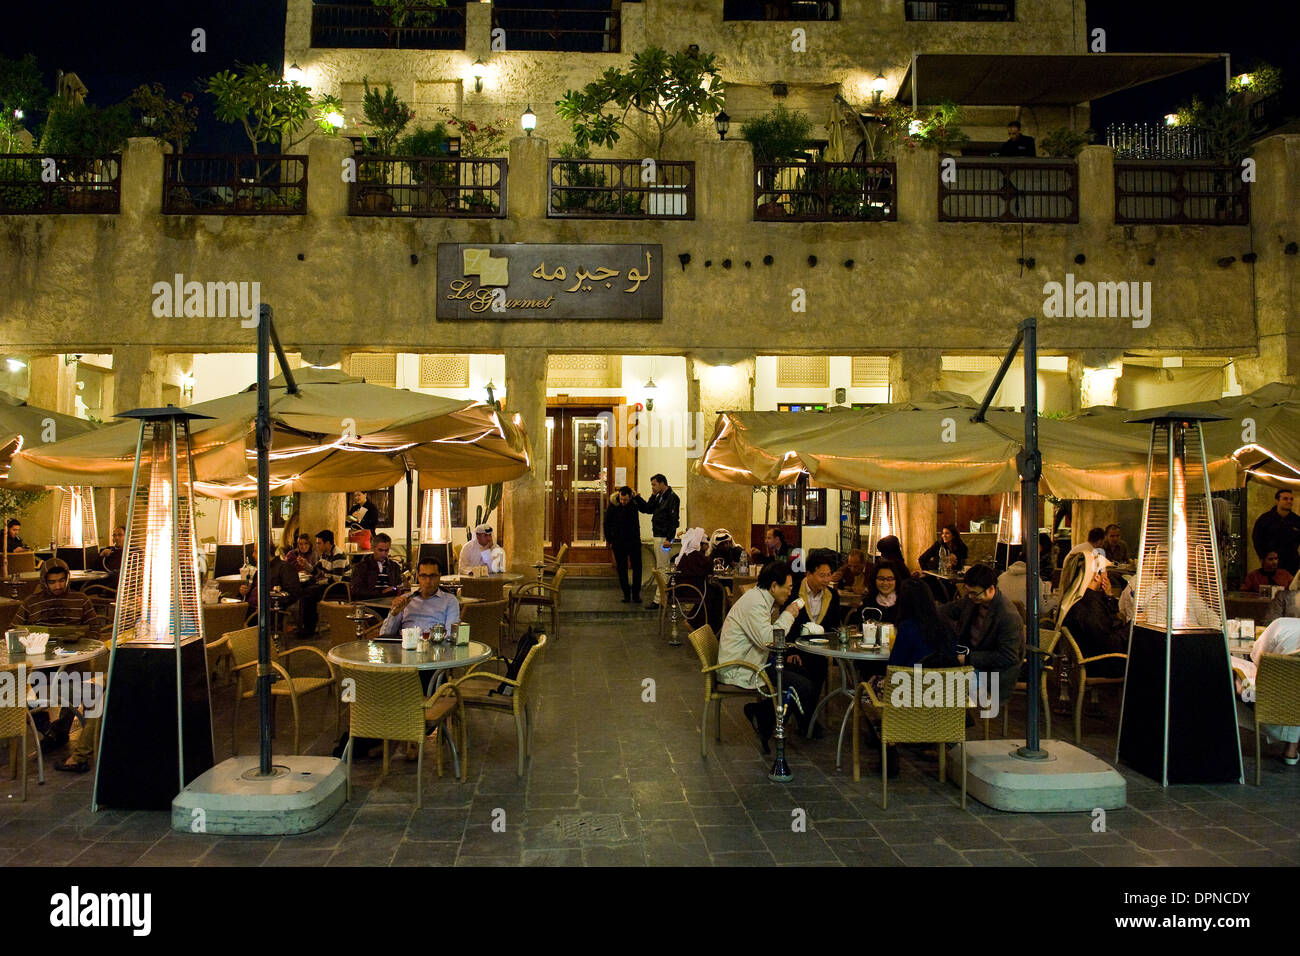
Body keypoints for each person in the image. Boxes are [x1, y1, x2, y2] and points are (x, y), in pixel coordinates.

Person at [11, 558, 100, 772]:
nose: (58, 586)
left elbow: (95, 629)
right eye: (52, 582)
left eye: (62, 580)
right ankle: (50, 728)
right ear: (44, 581)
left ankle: (59, 730)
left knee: (77, 686)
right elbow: (14, 632)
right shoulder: (31, 603)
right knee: (25, 690)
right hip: (39, 665)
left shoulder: (80, 599)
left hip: (74, 662)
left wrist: (79, 638)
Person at [715, 560, 813, 753]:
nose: (790, 592)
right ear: (774, 586)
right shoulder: (755, 603)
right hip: (741, 668)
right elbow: (769, 640)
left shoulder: (760, 598)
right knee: (803, 686)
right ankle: (765, 717)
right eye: (788, 588)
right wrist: (789, 614)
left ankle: (766, 717)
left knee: (804, 673)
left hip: (752, 660)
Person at [939, 564, 1024, 712]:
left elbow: (1008, 657)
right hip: (969, 660)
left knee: (945, 686)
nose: (970, 597)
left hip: (993, 673)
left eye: (974, 593)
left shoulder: (1007, 616)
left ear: (991, 589)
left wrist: (967, 658)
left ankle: (955, 725)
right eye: (968, 592)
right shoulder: (973, 600)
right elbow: (947, 611)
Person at [781, 548, 842, 715]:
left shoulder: (832, 596)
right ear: (808, 574)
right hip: (796, 648)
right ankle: (804, 718)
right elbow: (785, 625)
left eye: (829, 575)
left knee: (819, 666)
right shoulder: (792, 592)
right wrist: (791, 650)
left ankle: (807, 717)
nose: (827, 579)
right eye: (822, 575)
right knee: (800, 670)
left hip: (819, 649)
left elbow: (834, 626)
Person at [1232, 617, 1300, 765]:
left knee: (1232, 669)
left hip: (1266, 700)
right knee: (1295, 688)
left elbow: (1257, 657)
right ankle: (1291, 748)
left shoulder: (1282, 625)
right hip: (1294, 704)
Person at [1056, 549, 1127, 679]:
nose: (1107, 577)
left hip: (1086, 659)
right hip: (1099, 664)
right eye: (1106, 573)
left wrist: (1109, 596)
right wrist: (1130, 628)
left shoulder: (1080, 598)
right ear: (1096, 576)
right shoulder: (1091, 604)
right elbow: (1109, 642)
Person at [635, 475, 680, 609]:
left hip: (663, 538)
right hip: (658, 535)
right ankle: (661, 599)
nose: (653, 487)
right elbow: (648, 509)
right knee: (661, 567)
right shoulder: (660, 496)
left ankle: (660, 599)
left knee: (662, 569)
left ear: (662, 483)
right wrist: (640, 497)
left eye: (654, 485)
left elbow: (673, 520)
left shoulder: (672, 497)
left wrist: (669, 538)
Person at [298, 529, 348, 638]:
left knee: (310, 594)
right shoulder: (325, 555)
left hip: (340, 587)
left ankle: (309, 629)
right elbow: (315, 570)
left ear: (328, 543)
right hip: (329, 583)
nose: (317, 546)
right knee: (303, 589)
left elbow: (337, 579)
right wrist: (305, 564)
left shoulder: (338, 555)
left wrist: (319, 582)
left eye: (319, 543)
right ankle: (305, 625)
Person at [603, 486, 642, 603]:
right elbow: (606, 524)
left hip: (633, 541)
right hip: (618, 542)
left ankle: (636, 595)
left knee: (637, 568)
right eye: (621, 499)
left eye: (625, 500)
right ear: (618, 496)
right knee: (622, 569)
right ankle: (626, 594)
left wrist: (638, 498)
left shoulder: (634, 504)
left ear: (630, 497)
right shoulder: (613, 506)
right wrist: (610, 540)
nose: (623, 502)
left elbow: (646, 508)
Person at [239, 546, 302, 617]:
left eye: (255, 552)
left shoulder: (285, 568)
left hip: (264, 613)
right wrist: (244, 592)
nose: (253, 555)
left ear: (265, 553)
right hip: (247, 608)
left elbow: (293, 594)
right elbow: (253, 591)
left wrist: (266, 605)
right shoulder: (261, 569)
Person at [1253, 488, 1300, 576]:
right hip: (1271, 563)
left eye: (1291, 499)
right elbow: (1257, 538)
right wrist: (1263, 556)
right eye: (1285, 499)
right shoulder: (1265, 519)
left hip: (1291, 563)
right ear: (1277, 501)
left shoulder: (1296, 520)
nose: (1289, 501)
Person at [350, 532, 406, 600]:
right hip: (369, 601)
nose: (384, 554)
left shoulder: (394, 567)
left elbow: (399, 586)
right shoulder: (362, 567)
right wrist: (381, 592)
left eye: (386, 550)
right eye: (380, 550)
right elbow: (356, 590)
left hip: (390, 600)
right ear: (373, 548)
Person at [861, 560, 903, 625]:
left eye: (890, 579)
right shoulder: (868, 602)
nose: (885, 583)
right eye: (881, 578)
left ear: (896, 580)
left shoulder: (904, 603)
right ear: (874, 580)